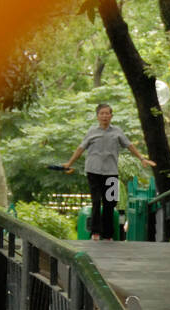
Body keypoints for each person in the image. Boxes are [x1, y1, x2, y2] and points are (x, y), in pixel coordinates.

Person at [64, 102, 156, 240]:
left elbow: (130, 145)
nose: (105, 116)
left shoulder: (117, 131)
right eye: (102, 113)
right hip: (93, 171)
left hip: (111, 172)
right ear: (97, 116)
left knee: (110, 203)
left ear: (111, 116)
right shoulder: (92, 131)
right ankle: (95, 232)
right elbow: (81, 148)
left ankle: (108, 235)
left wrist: (141, 158)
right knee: (96, 201)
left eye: (107, 113)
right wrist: (69, 163)